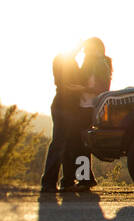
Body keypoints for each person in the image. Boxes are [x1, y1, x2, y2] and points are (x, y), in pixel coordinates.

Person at [39, 47, 88, 192]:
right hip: (64, 106)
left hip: (69, 106)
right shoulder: (62, 61)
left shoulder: (69, 61)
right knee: (61, 143)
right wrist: (82, 89)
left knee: (70, 144)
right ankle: (49, 182)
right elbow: (64, 85)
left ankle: (67, 181)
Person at [69, 37, 113, 189]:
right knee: (79, 145)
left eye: (88, 48)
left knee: (82, 145)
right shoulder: (89, 63)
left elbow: (103, 89)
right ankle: (85, 178)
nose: (86, 51)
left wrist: (81, 89)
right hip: (82, 107)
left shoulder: (101, 64)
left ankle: (85, 180)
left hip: (90, 108)